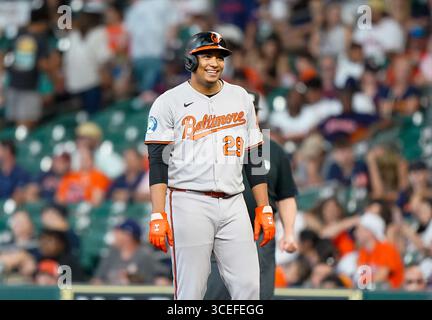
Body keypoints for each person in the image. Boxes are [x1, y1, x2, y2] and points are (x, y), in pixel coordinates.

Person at [145, 31, 275, 300]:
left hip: (234, 202)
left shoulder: (241, 98)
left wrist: (264, 206)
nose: (214, 62)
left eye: (219, 56)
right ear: (190, 61)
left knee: (250, 289)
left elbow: (255, 154)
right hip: (188, 201)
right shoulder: (167, 102)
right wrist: (158, 214)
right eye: (206, 55)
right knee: (191, 291)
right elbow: (158, 162)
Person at [205, 94, 298, 300]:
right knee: (214, 296)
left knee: (258, 298)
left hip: (259, 233)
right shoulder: (213, 147)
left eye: (250, 111)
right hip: (219, 231)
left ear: (257, 115)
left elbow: (286, 196)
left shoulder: (273, 150)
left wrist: (289, 232)